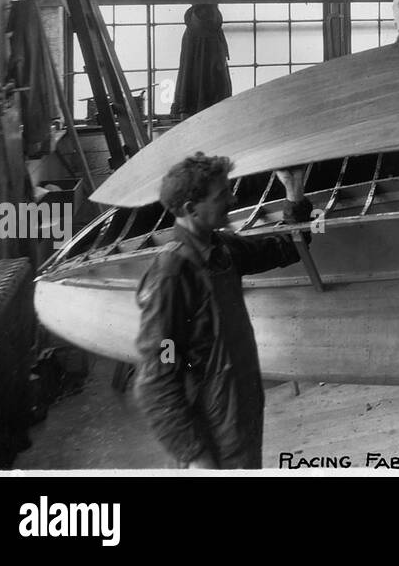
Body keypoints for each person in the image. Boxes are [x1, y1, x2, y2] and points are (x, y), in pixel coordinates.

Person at [134, 154, 314, 469]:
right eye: (222, 196)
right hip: (210, 428)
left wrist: (294, 193)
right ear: (191, 209)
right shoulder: (171, 277)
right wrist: (193, 456)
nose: (232, 199)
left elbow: (286, 248)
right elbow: (157, 377)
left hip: (240, 409)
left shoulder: (223, 250)